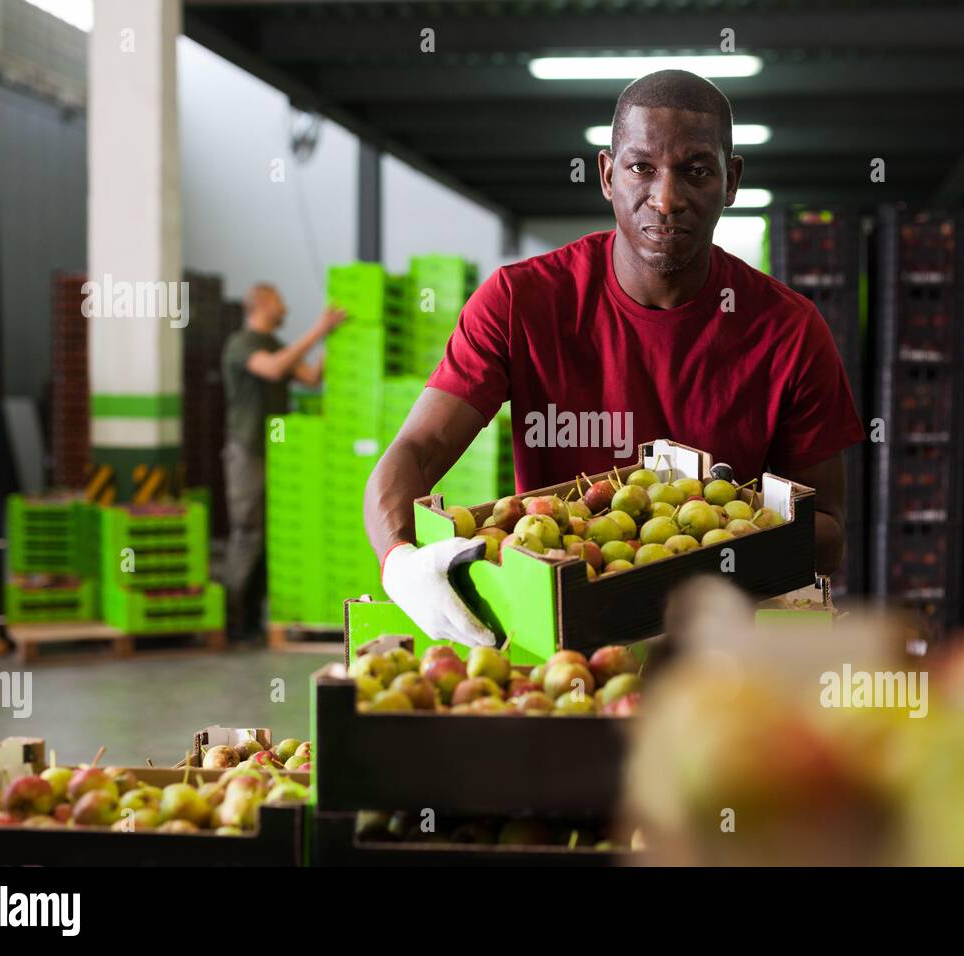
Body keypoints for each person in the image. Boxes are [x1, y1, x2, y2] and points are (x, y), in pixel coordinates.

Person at [365, 70, 865, 647]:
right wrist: (399, 560)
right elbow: (415, 451)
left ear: (732, 181)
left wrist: (712, 544)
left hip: (720, 650)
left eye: (697, 170)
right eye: (640, 167)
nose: (667, 198)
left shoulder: (789, 330)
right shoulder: (520, 302)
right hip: (558, 640)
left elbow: (827, 531)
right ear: (607, 174)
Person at [221, 284, 345, 640]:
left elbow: (311, 377)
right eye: (279, 299)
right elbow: (274, 370)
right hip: (248, 450)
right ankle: (233, 623)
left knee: (269, 532)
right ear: (260, 303)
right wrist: (318, 331)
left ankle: (254, 620)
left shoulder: (276, 345)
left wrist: (335, 341)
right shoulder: (242, 343)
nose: (284, 305)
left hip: (277, 452)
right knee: (248, 531)